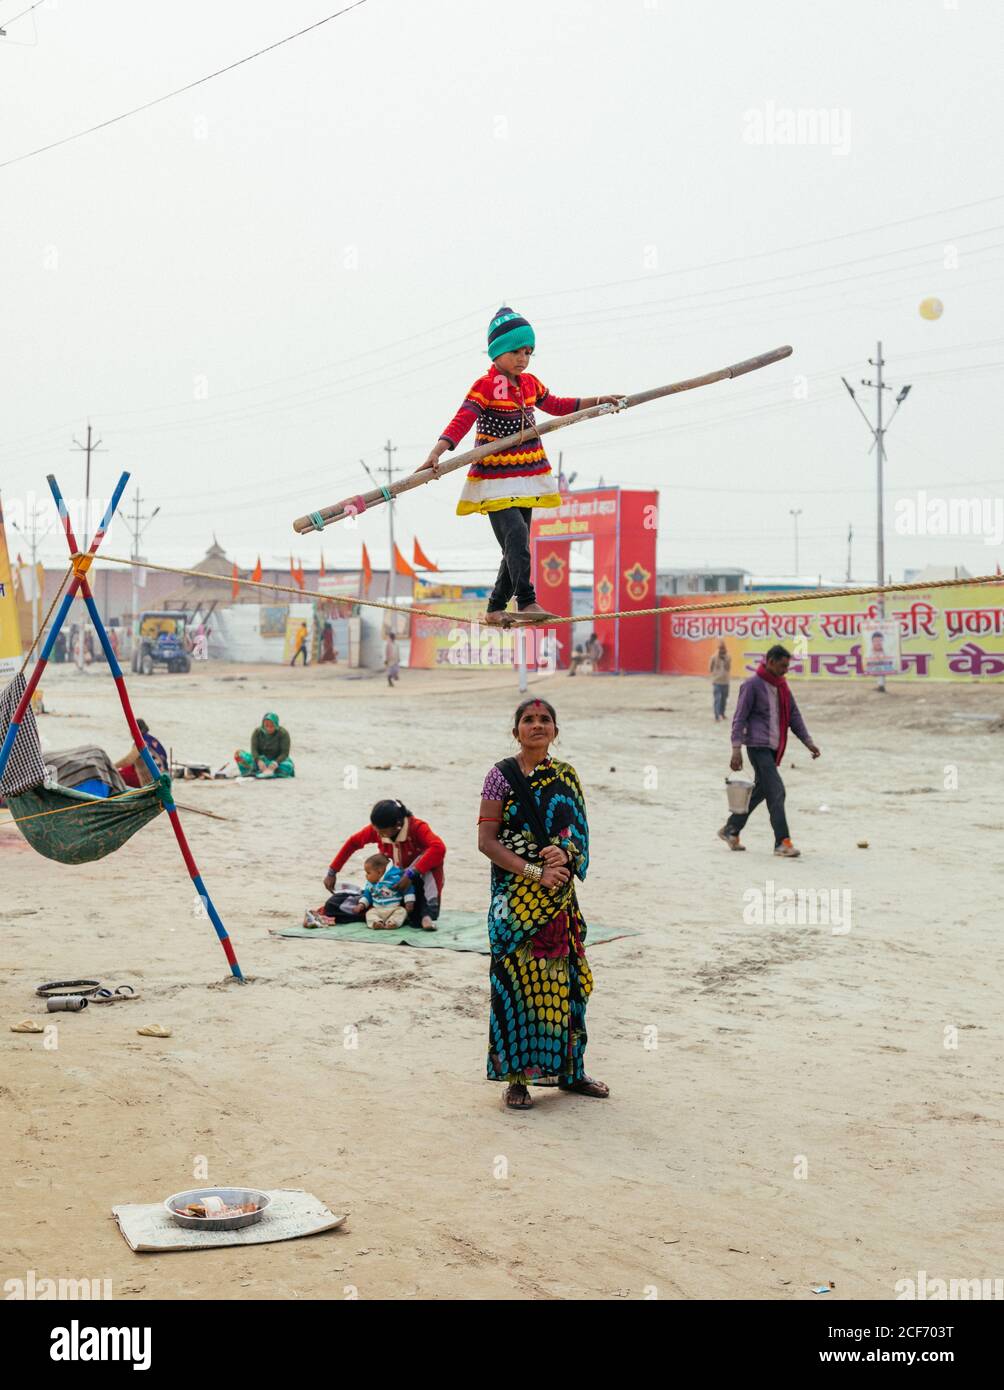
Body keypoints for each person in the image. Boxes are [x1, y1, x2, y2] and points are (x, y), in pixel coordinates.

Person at [418, 306, 623, 626]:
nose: (522, 358)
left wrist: (598, 401)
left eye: (528, 352)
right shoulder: (485, 386)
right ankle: (526, 600)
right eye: (515, 351)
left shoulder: (529, 384)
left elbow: (557, 405)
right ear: (497, 352)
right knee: (515, 535)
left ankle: (495, 608)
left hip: (526, 474)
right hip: (496, 476)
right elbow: (464, 418)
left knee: (516, 545)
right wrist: (438, 451)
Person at [478, 696, 608, 1111]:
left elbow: (580, 833)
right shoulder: (499, 777)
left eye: (545, 719)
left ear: (555, 729)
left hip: (558, 904)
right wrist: (535, 871)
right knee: (515, 989)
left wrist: (566, 854)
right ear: (515, 729)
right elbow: (487, 842)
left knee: (565, 988)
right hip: (516, 906)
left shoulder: (567, 776)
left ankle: (571, 1072)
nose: (538, 725)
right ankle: (517, 1080)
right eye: (529, 720)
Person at [719, 644, 820, 857]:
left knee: (761, 792)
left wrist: (808, 742)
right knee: (777, 791)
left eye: (787, 666)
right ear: (771, 661)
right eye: (782, 666)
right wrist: (736, 749)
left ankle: (731, 829)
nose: (785, 670)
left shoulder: (782, 686)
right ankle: (782, 842)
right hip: (757, 747)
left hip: (774, 748)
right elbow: (739, 718)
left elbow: (794, 716)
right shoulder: (752, 685)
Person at [321, 799, 444, 930]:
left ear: (397, 825)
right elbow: (353, 842)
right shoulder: (378, 830)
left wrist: (410, 874)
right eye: (376, 830)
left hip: (417, 886)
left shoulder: (417, 828)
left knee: (428, 859)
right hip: (390, 891)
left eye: (382, 832)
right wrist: (332, 872)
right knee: (335, 905)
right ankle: (388, 916)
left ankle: (426, 915)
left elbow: (439, 848)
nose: (378, 834)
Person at [350, 852, 417, 930]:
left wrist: (409, 901)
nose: (366, 875)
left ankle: (392, 922)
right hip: (377, 909)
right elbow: (367, 895)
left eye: (368, 873)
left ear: (379, 872)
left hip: (394, 908)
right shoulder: (370, 884)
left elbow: (407, 888)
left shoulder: (395, 878)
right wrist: (361, 905)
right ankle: (377, 922)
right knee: (369, 913)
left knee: (402, 912)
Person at [234, 712, 295, 778]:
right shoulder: (257, 732)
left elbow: (285, 753)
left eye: (272, 726)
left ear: (276, 725)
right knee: (238, 754)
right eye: (266, 725)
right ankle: (257, 770)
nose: (269, 728)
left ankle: (270, 772)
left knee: (288, 767)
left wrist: (275, 763)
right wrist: (258, 760)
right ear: (263, 724)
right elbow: (254, 750)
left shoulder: (283, 733)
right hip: (260, 761)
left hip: (277, 761)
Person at [116, 719, 169, 788]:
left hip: (154, 786)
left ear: (135, 730)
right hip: (166, 782)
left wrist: (112, 766)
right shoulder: (153, 741)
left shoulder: (141, 743)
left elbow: (128, 760)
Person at [709, 640, 732, 721]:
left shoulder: (728, 657)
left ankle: (722, 713)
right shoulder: (714, 657)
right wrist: (715, 675)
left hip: (725, 681)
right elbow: (710, 668)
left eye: (723, 648)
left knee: (724, 699)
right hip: (717, 682)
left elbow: (728, 668)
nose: (722, 650)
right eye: (720, 648)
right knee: (717, 699)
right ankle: (716, 716)